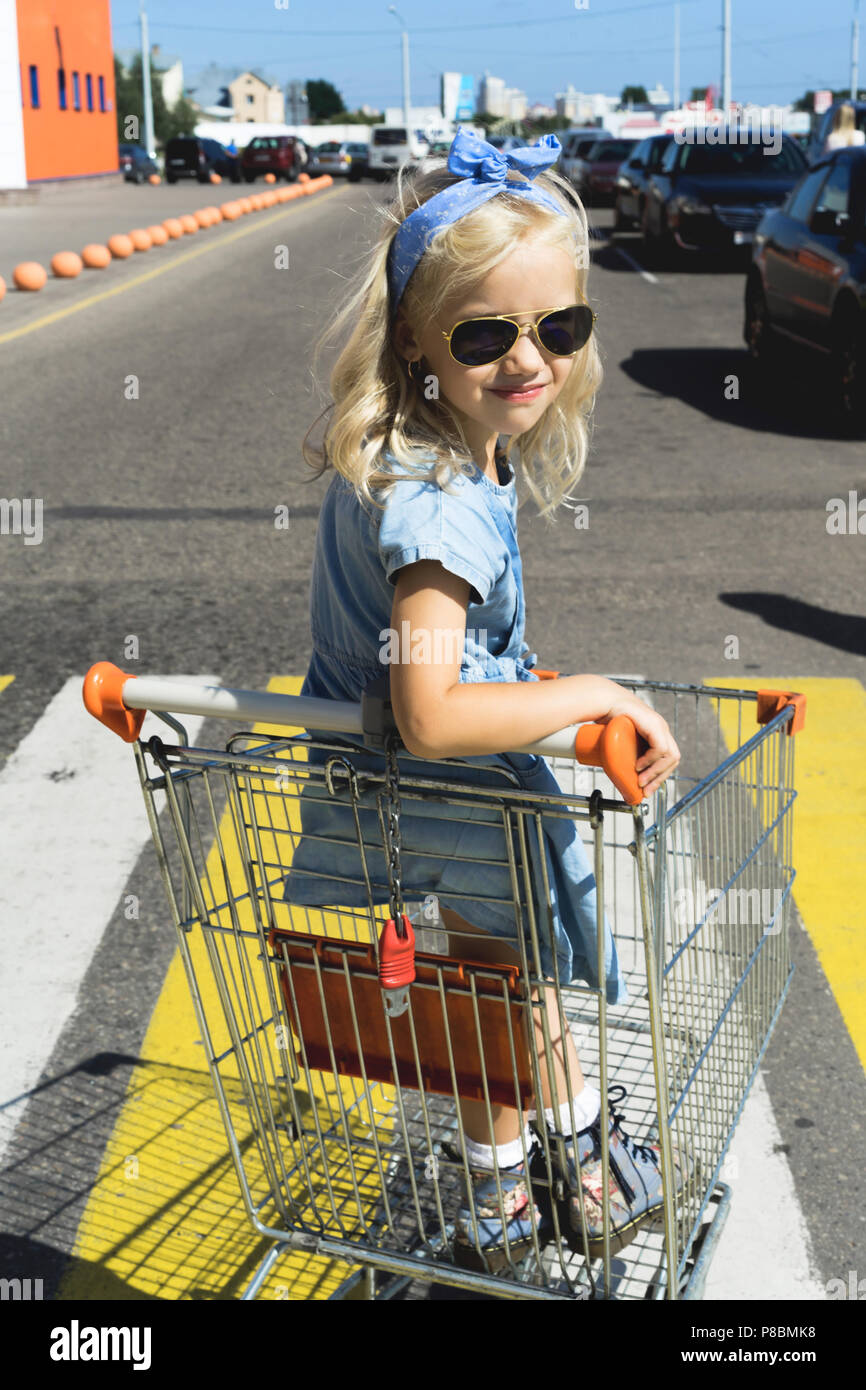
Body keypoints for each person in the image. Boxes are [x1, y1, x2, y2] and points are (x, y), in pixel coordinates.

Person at [283, 126, 689, 1268]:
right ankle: (560, 1185)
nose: (528, 359)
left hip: (418, 798)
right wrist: (595, 692)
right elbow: (432, 711)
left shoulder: (434, 448)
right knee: (510, 1001)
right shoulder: (440, 500)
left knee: (493, 999)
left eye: (558, 328)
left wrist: (527, 685)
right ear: (415, 339)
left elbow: (439, 669)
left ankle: (518, 1194)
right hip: (442, 795)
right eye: (484, 334)